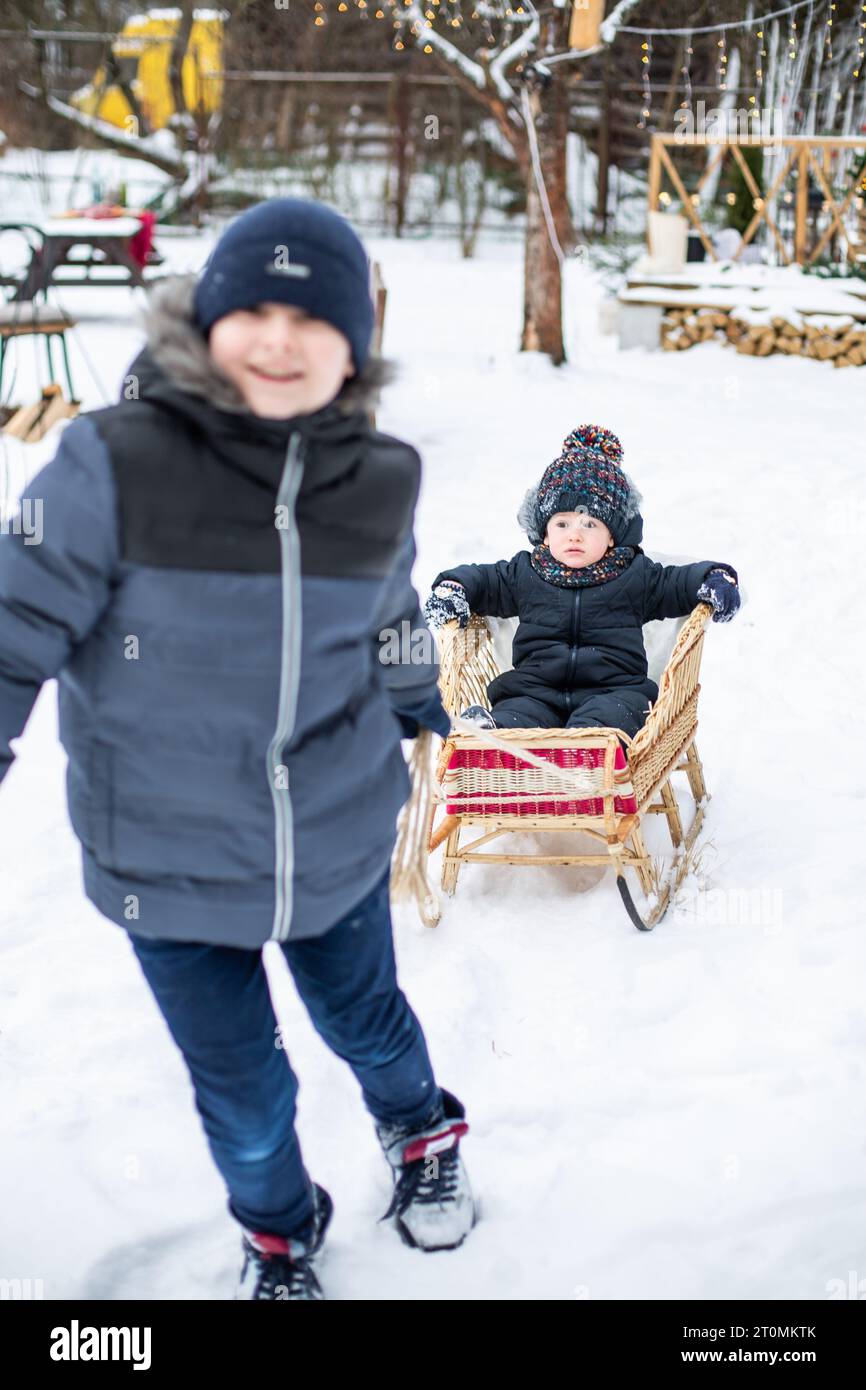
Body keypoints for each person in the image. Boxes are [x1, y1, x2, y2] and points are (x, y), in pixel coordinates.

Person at [0, 198, 476, 1301]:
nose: (277, 339)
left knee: (370, 1023)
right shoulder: (107, 462)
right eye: (250, 309)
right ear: (203, 321)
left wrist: (420, 700)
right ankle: (276, 1228)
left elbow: (392, 609)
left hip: (335, 835)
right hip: (161, 860)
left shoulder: (382, 476)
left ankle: (418, 1133)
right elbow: (13, 619)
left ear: (353, 342)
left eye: (309, 317)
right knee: (243, 1089)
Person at [423, 424, 740, 739]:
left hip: (612, 691)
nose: (574, 534)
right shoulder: (525, 572)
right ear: (544, 534)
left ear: (613, 536)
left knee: (612, 716)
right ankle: (492, 735)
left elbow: (678, 582)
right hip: (534, 692)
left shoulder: (636, 575)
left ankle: (587, 752)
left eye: (590, 523)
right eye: (562, 523)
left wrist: (713, 578)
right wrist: (454, 588)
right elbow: (484, 581)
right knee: (518, 716)